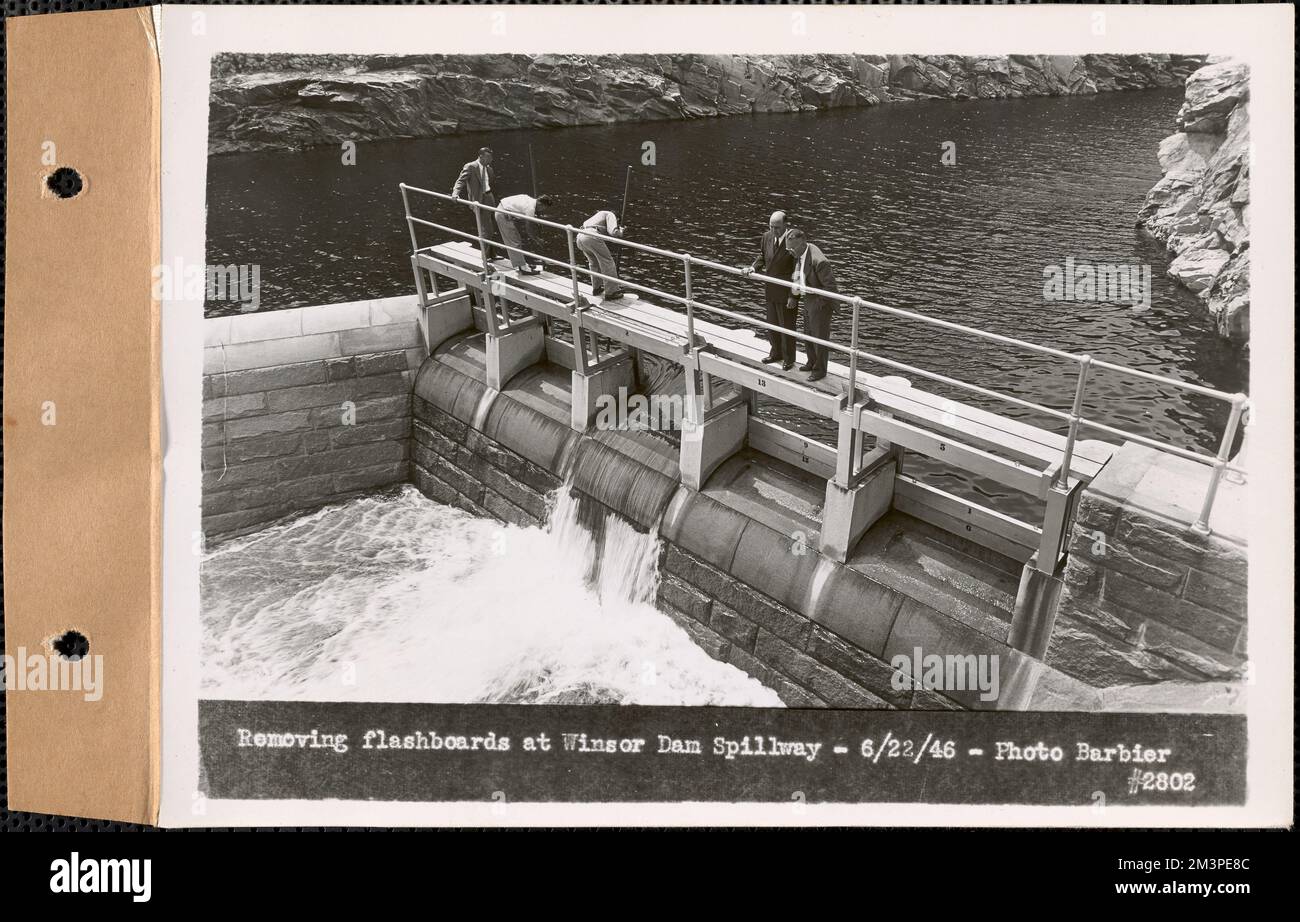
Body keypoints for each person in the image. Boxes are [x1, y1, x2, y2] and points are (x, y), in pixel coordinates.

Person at [743, 211, 797, 369]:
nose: (774, 231)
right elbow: (762, 256)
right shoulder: (766, 237)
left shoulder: (794, 241)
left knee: (786, 327)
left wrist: (794, 296)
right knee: (772, 324)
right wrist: (753, 268)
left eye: (777, 228)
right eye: (771, 227)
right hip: (771, 289)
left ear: (786, 225)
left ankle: (788, 358)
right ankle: (775, 353)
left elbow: (798, 271)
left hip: (786, 292)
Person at [784, 228, 839, 382]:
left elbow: (831, 289)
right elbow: (797, 274)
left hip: (820, 302)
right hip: (808, 299)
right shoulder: (799, 253)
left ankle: (820, 370)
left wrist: (818, 305)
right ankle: (811, 362)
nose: (790, 252)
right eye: (788, 249)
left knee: (819, 337)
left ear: (802, 244)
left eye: (792, 248)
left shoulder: (819, 261)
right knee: (808, 333)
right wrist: (794, 295)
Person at [495, 193, 553, 274]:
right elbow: (529, 229)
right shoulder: (530, 208)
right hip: (503, 214)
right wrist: (537, 240)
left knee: (516, 239)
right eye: (544, 208)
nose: (542, 210)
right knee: (514, 241)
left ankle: (521, 265)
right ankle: (523, 268)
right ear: (541, 204)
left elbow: (519, 211)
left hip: (503, 209)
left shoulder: (529, 199)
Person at [577, 209, 627, 301]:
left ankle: (597, 288)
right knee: (608, 262)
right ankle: (611, 292)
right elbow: (614, 232)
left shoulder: (599, 215)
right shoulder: (610, 214)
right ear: (618, 219)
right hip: (591, 236)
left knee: (594, 263)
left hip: (580, 236)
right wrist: (621, 231)